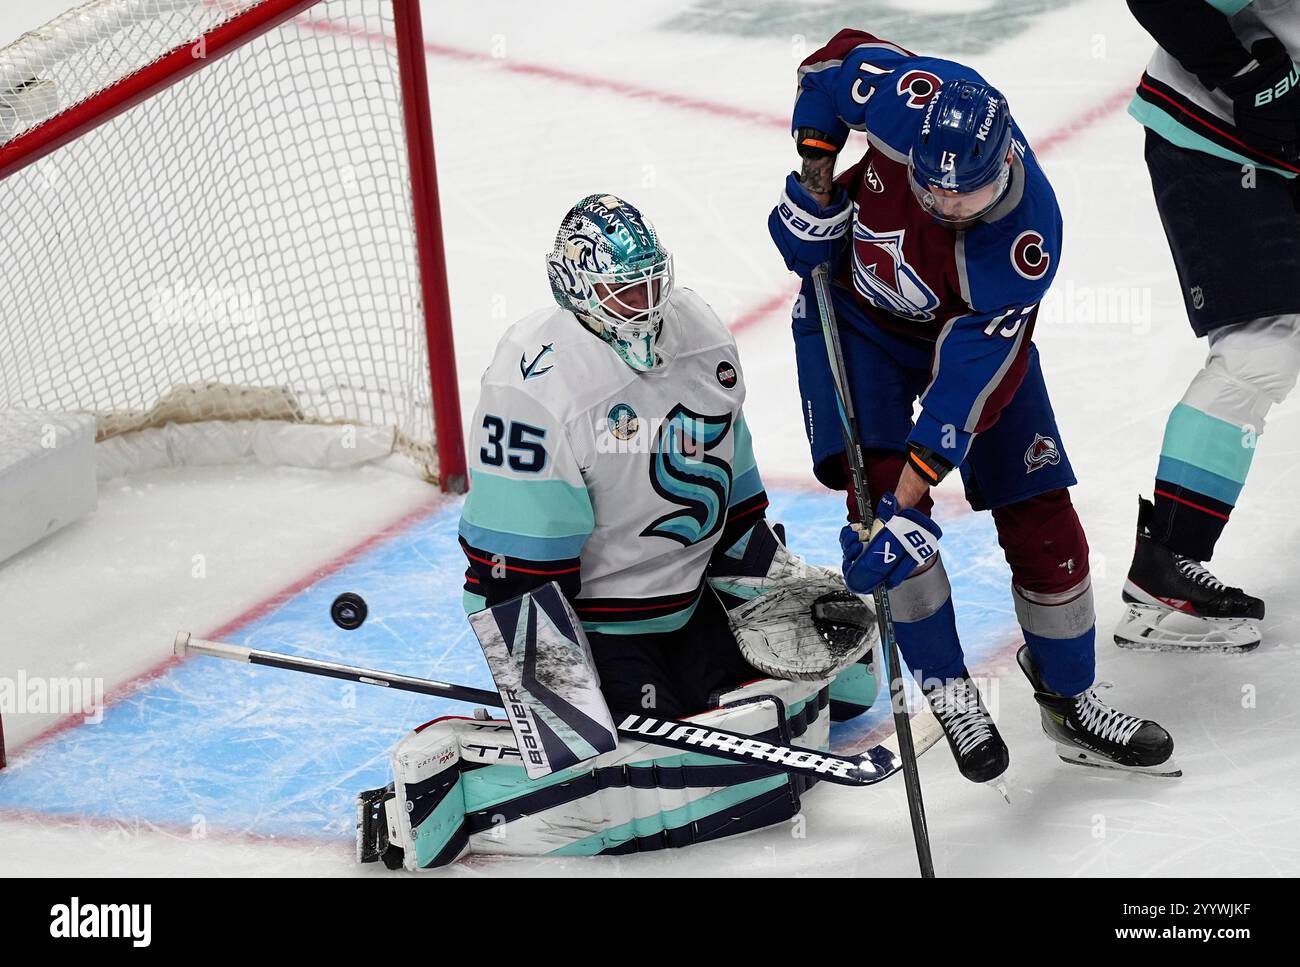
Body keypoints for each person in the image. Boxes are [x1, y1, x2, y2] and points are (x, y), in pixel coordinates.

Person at [768, 29, 1177, 779]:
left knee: (1040, 514)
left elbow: (961, 395)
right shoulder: (907, 97)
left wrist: (910, 503)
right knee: (888, 526)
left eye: (969, 193)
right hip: (859, 325)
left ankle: (1071, 698)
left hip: (968, 347)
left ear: (1008, 163)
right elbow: (826, 72)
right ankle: (950, 691)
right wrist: (817, 184)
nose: (948, 203)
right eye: (933, 189)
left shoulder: (1026, 241)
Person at [1116, 0, 1300, 652]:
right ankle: (1168, 567)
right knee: (1264, 347)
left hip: (1283, 143)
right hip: (1212, 138)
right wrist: (1239, 68)